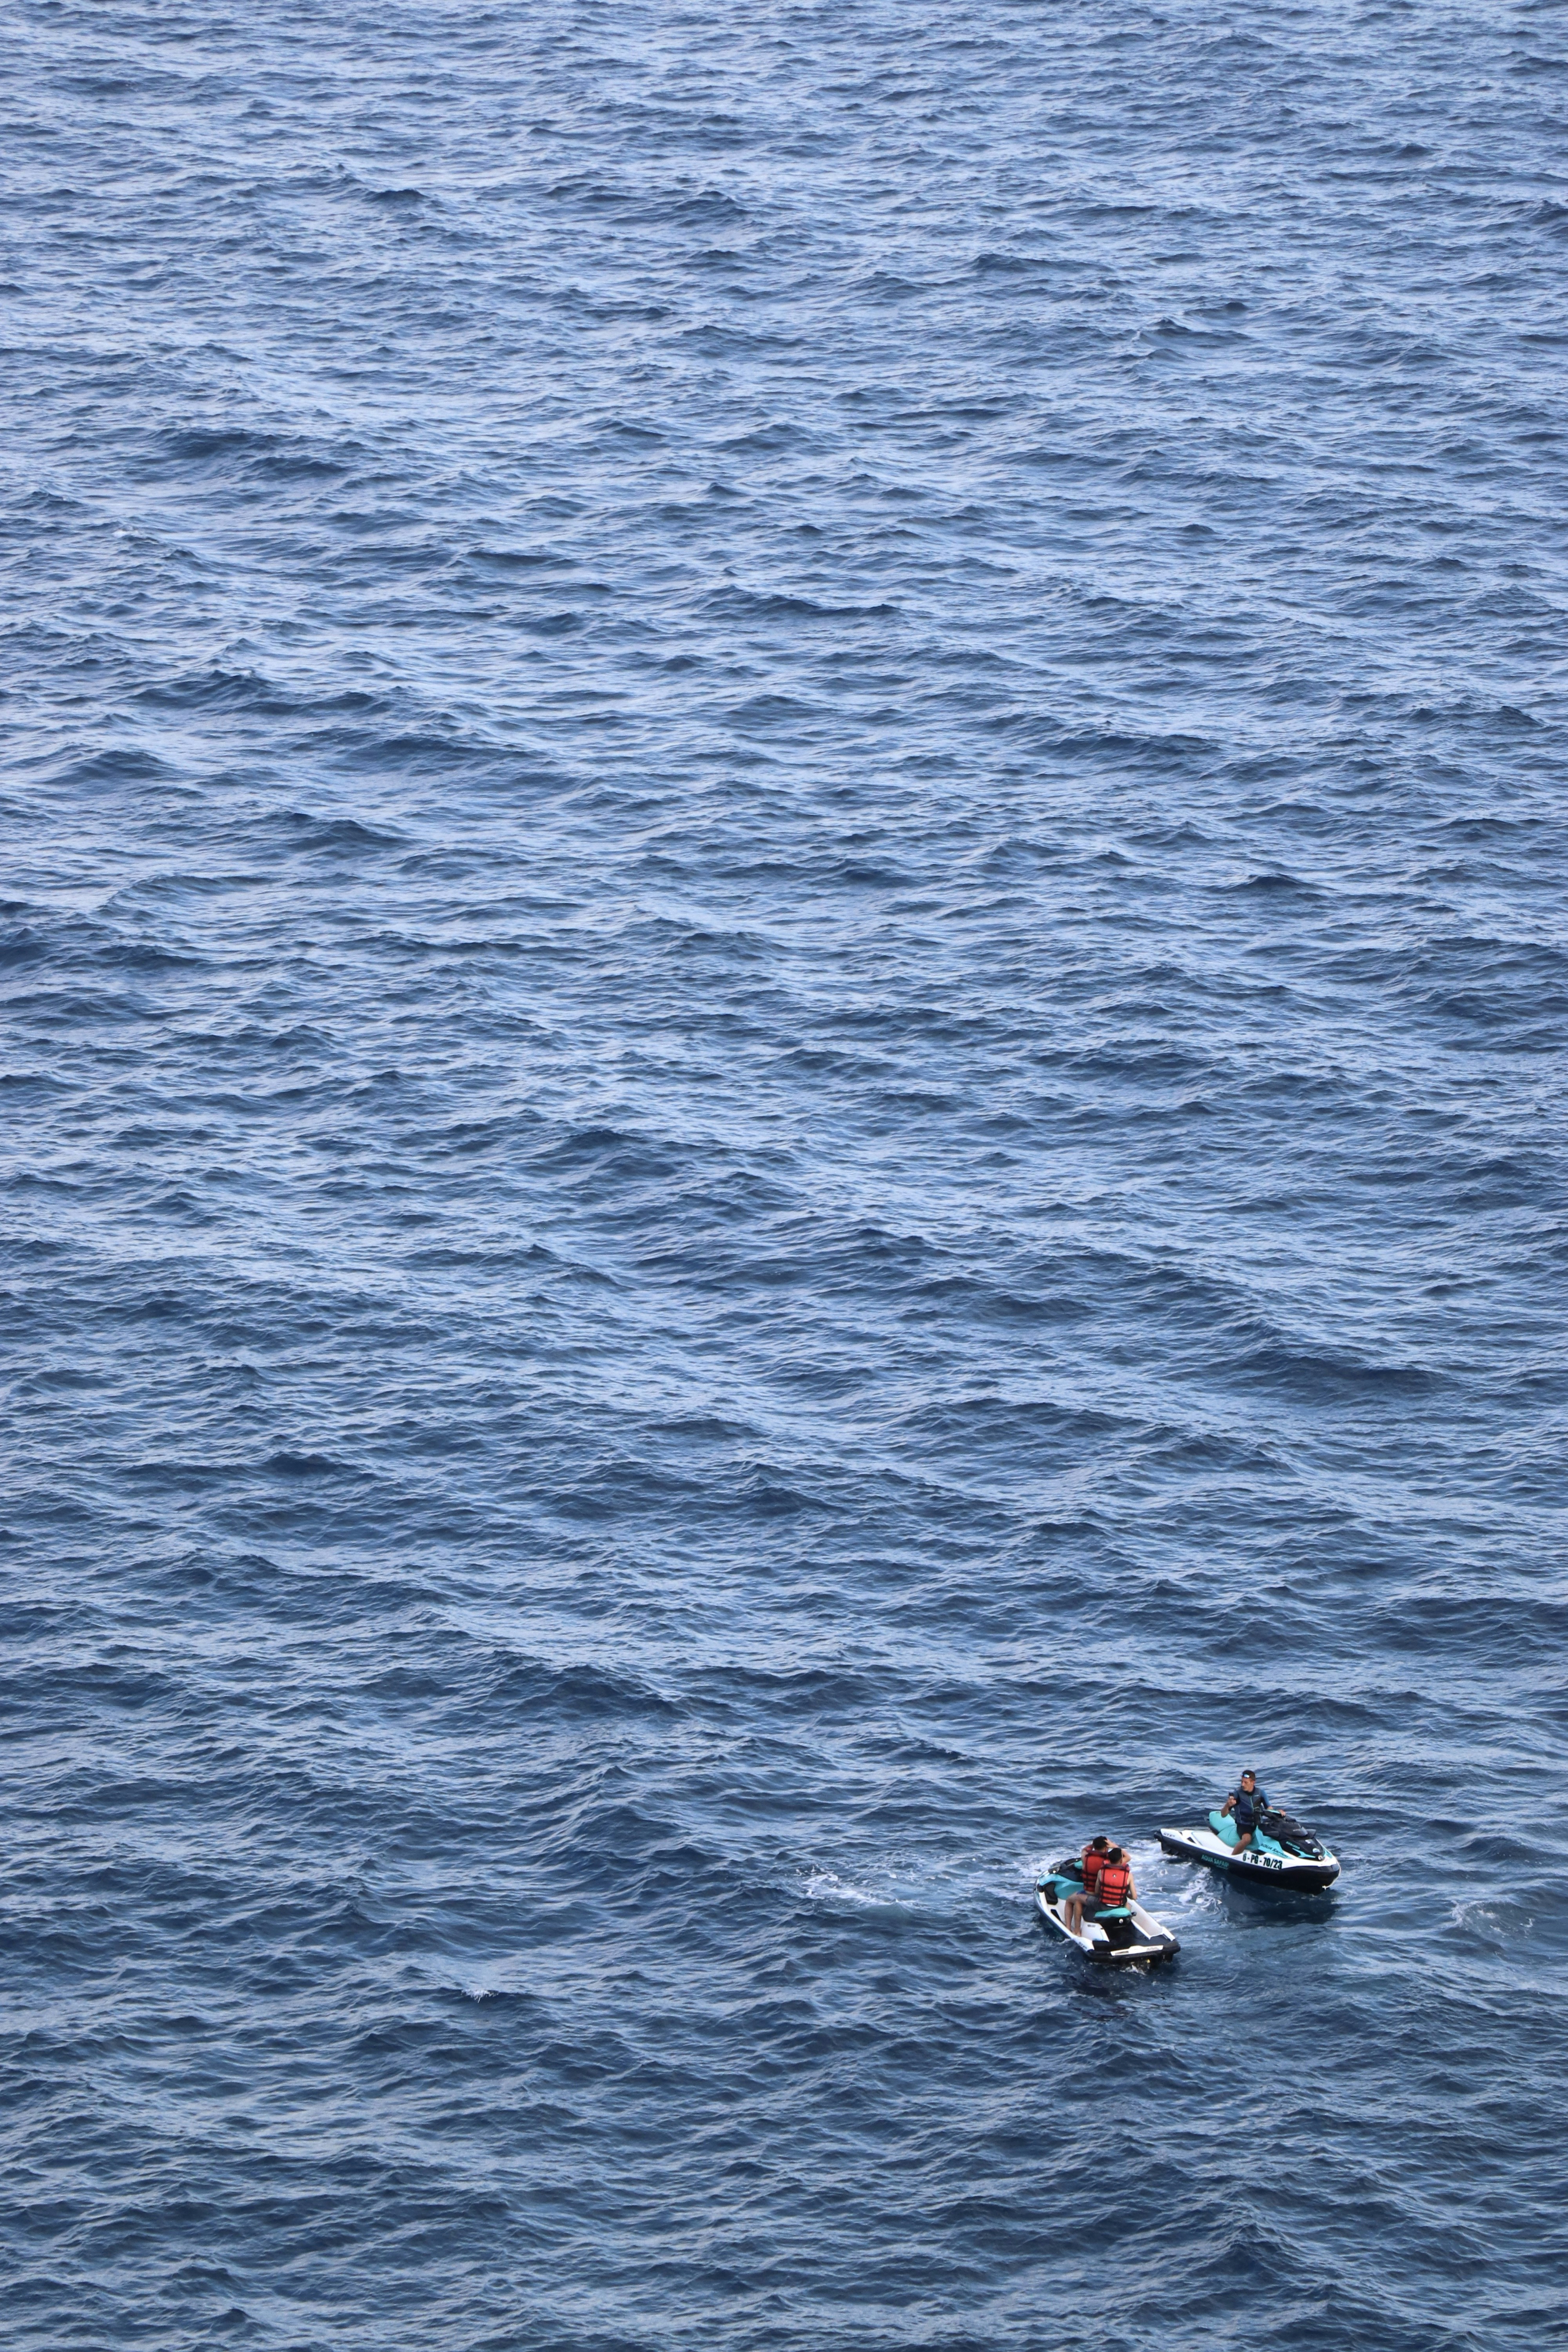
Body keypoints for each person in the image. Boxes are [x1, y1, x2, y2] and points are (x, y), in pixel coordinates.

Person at [1060, 1837, 1110, 1937]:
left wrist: (1094, 1845)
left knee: (1071, 1900)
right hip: (1107, 1895)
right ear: (1106, 1848)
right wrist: (1111, 1846)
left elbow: (1084, 1850)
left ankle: (1073, 1929)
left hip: (1092, 1894)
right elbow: (1123, 1856)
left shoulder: (1086, 1858)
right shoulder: (1109, 1861)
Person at [1220, 1770, 1272, 1853]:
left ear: (1253, 1782)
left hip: (1259, 1824)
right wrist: (1228, 1805)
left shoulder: (1261, 1793)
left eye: (1246, 1782)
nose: (1242, 1785)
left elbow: (1269, 1809)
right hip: (1244, 1825)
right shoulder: (1237, 1794)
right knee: (1247, 1840)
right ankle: (1234, 1858)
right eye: (1242, 1782)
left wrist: (1278, 1813)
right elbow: (1223, 1815)